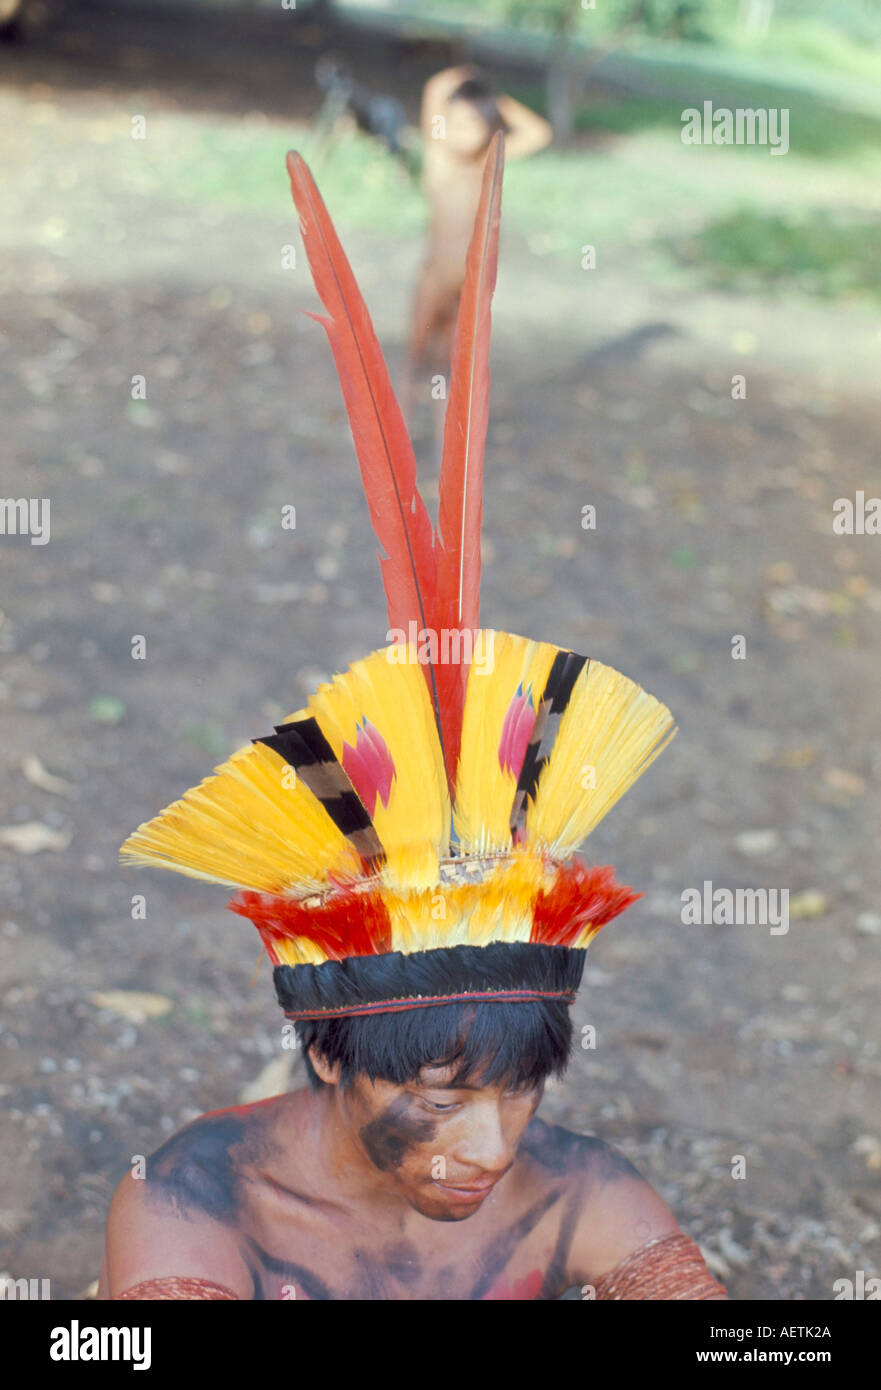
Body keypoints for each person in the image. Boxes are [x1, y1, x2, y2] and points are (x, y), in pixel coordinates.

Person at [99, 140, 727, 1301]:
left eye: (518, 1089)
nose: (487, 1148)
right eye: (435, 1099)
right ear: (330, 1047)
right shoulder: (196, 1197)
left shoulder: (580, 1194)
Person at [408, 66, 551, 418]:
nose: (460, 133)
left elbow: (539, 133)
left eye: (472, 124)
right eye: (454, 124)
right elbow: (434, 89)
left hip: (470, 291)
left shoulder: (490, 160)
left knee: (453, 372)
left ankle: (446, 460)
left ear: (490, 127)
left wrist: (492, 101)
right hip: (434, 281)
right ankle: (401, 431)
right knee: (414, 362)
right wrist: (463, 75)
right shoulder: (438, 158)